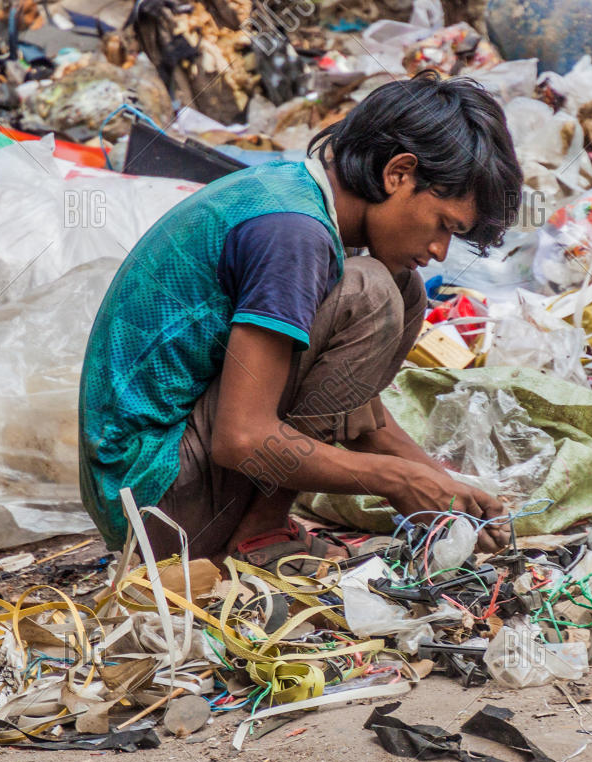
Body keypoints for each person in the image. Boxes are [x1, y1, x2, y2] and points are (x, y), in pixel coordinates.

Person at [78, 71, 523, 564]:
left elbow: (359, 418)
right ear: (398, 173)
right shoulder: (293, 233)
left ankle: (257, 526)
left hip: (168, 483)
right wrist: (398, 481)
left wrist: (446, 491)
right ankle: (260, 534)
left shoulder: (302, 200)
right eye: (444, 225)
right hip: (154, 509)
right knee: (372, 291)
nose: (440, 250)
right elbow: (241, 438)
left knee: (403, 288)